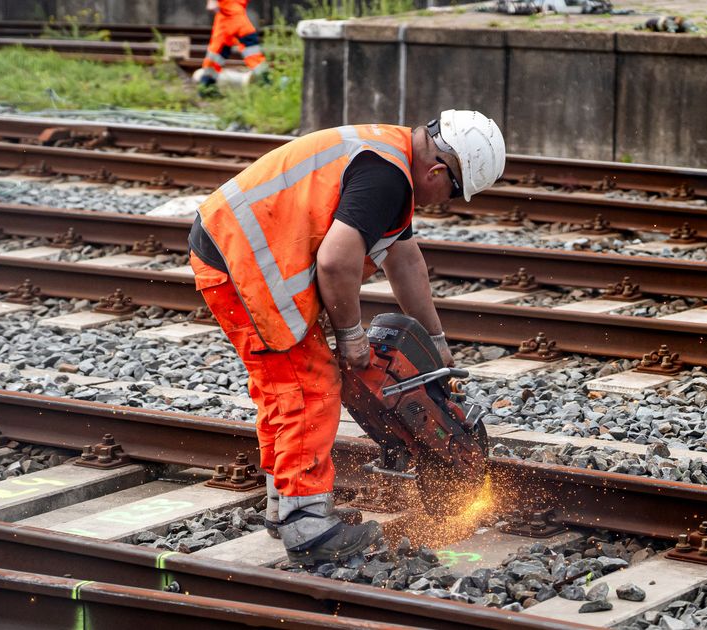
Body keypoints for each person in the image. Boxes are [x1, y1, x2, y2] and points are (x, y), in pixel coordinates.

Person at [188, 111, 506, 564]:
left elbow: (405, 259)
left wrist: (436, 343)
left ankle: (285, 508)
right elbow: (337, 262)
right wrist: (352, 335)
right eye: (454, 192)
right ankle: (309, 528)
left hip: (229, 253)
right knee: (310, 386)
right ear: (438, 171)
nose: (447, 202)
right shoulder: (387, 178)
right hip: (244, 263)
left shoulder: (391, 157)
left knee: (282, 385)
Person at [193, 0, 267, 90]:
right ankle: (267, 82)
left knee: (218, 51)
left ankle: (206, 85)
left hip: (229, 11)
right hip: (231, 9)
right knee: (249, 43)